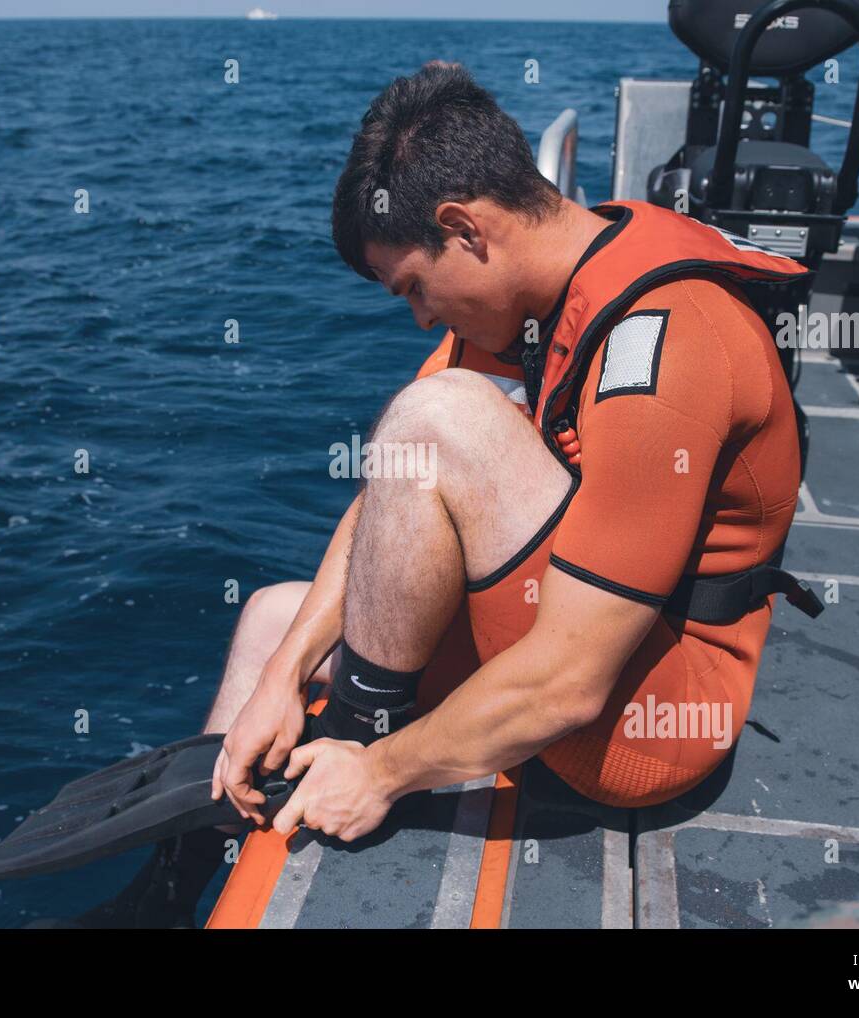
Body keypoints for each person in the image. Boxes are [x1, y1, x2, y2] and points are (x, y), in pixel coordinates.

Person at [79, 62, 818, 926]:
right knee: (276, 620)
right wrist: (282, 680)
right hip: (578, 641)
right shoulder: (541, 296)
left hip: (649, 718)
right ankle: (169, 894)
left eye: (415, 290)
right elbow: (391, 497)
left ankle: (359, 737)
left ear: (465, 227)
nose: (422, 320)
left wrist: (382, 774)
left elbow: (574, 684)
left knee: (436, 417)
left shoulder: (667, 344)